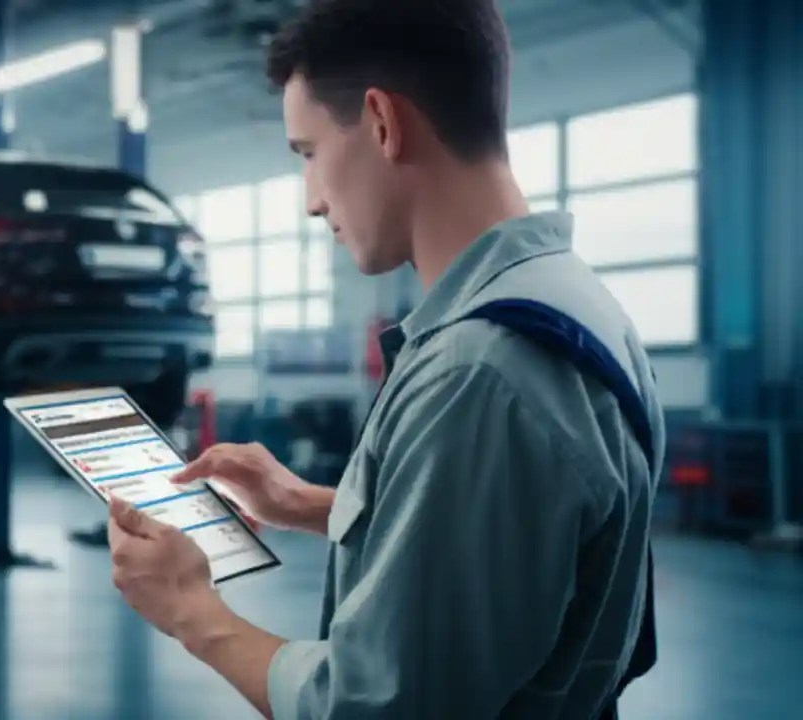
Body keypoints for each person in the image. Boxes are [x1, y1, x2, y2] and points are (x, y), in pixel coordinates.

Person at [105, 1, 661, 718]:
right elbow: (523, 548)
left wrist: (190, 610)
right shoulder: (575, 302)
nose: (311, 200)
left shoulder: (479, 371)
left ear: (381, 124)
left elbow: (376, 705)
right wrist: (310, 506)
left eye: (307, 154)